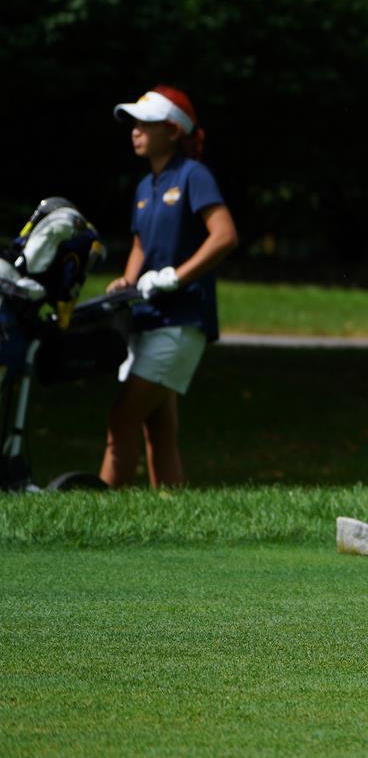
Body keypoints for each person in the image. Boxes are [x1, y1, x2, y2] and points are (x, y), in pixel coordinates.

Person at [102, 86, 238, 488]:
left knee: (121, 417)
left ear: (173, 131)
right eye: (134, 124)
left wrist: (177, 276)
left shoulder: (193, 175)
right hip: (147, 317)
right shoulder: (147, 187)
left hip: (181, 318)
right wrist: (127, 280)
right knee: (156, 428)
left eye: (145, 124)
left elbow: (224, 235)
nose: (135, 131)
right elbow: (141, 245)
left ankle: (104, 509)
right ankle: (171, 512)